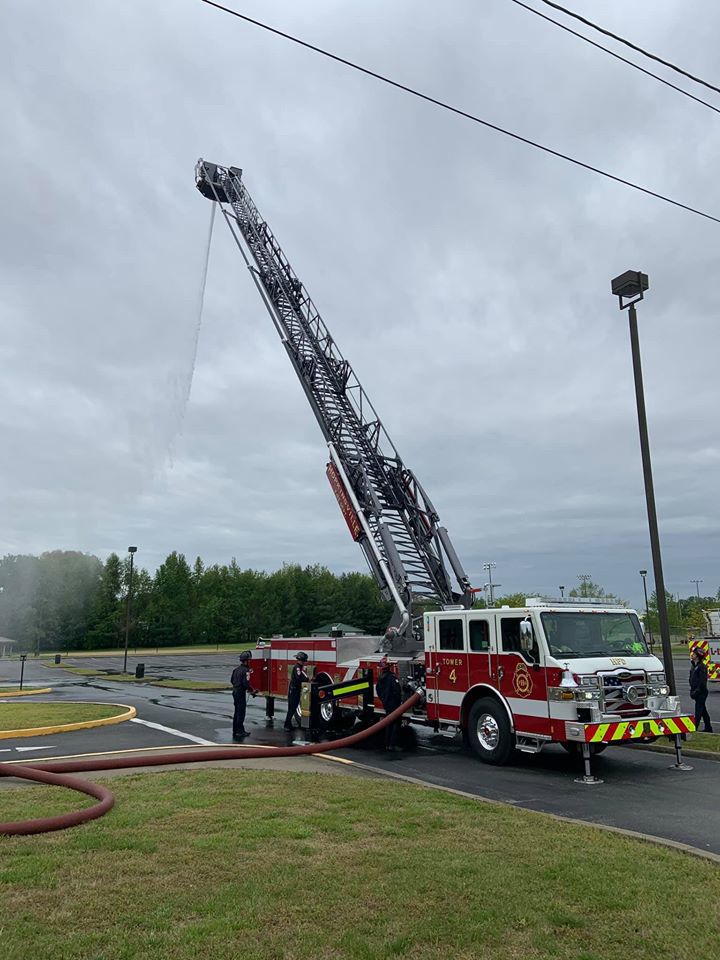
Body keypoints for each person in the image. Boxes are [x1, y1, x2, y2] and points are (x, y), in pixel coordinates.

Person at [376, 657, 402, 751]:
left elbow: (378, 690)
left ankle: (387, 744)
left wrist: (383, 699)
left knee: (388, 723)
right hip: (394, 704)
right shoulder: (392, 677)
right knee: (396, 723)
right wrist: (399, 702)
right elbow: (397, 691)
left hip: (386, 704)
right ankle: (392, 745)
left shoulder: (381, 678)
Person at [231, 651, 257, 741]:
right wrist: (252, 690)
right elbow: (245, 683)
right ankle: (240, 731)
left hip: (235, 691)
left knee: (236, 712)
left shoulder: (236, 670)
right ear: (246, 661)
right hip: (240, 692)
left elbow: (232, 680)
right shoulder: (246, 671)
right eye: (249, 660)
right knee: (241, 712)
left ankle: (235, 730)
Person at [690, 647, 713, 733]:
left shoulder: (702, 667)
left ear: (698, 656)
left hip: (701, 693)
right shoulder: (694, 666)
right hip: (696, 691)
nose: (692, 655)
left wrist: (696, 692)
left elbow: (702, 683)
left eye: (694, 654)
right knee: (703, 710)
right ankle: (708, 727)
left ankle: (694, 728)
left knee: (698, 711)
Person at [284, 652, 309, 730]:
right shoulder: (297, 668)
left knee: (293, 708)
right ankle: (286, 725)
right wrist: (306, 680)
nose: (304, 662)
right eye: (304, 661)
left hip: (295, 690)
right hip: (294, 690)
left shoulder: (299, 667)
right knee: (291, 708)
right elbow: (298, 678)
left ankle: (289, 725)